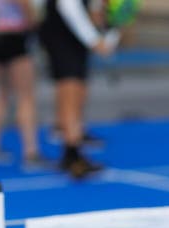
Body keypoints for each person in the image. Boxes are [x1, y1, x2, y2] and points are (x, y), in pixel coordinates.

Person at [40, 0, 117, 178]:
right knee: (70, 89)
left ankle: (72, 144)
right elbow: (68, 6)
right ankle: (72, 153)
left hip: (71, 33)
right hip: (62, 32)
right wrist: (94, 40)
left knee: (77, 88)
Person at [0, 0, 47, 169]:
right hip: (16, 36)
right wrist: (35, 23)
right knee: (26, 96)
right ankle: (31, 152)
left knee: (2, 95)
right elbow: (24, 5)